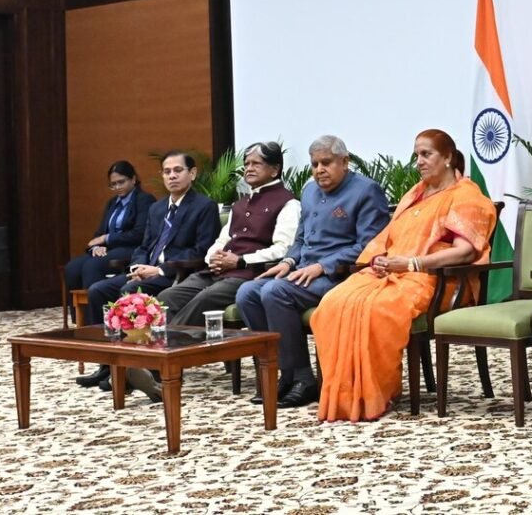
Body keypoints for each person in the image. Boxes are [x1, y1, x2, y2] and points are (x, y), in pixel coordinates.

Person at [312, 129, 497, 422]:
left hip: (437, 280)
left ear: (448, 157)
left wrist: (412, 263)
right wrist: (381, 261)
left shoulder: (467, 197)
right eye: (416, 156)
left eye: (426, 154)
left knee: (377, 310)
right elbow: (387, 240)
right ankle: (345, 394)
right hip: (393, 272)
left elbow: (464, 253)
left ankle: (376, 393)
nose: (419, 162)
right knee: (332, 303)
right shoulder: (416, 194)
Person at [123, 143, 300, 401]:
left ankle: (159, 362)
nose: (248, 168)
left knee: (204, 300)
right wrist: (214, 257)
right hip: (217, 270)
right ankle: (151, 360)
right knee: (170, 296)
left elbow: (282, 248)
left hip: (249, 274)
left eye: (256, 164)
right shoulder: (240, 204)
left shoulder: (288, 203)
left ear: (274, 170)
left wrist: (239, 260)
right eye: (247, 164)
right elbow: (221, 239)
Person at [235, 135, 390, 409]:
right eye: (315, 164)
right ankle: (284, 373)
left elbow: (369, 245)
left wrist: (323, 266)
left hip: (341, 276)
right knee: (247, 293)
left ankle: (304, 380)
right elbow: (300, 239)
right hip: (303, 271)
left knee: (275, 292)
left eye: (326, 163)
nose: (319, 170)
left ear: (345, 161)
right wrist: (288, 262)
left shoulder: (367, 191)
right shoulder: (309, 190)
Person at [77, 150, 221, 390]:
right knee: (98, 291)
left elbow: (201, 251)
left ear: (192, 173)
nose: (172, 176)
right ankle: (107, 364)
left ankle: (135, 369)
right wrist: (137, 266)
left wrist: (159, 270)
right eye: (167, 172)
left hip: (174, 275)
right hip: (144, 271)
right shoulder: (158, 208)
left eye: (178, 170)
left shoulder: (204, 207)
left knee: (130, 290)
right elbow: (144, 245)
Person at [63, 161, 155, 322]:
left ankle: (98, 320)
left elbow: (139, 233)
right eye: (113, 184)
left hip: (131, 248)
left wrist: (107, 239)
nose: (117, 187)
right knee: (72, 267)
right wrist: (97, 246)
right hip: (108, 249)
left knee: (92, 266)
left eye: (121, 182)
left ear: (133, 180)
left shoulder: (144, 200)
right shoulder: (112, 203)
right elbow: (99, 233)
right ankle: (80, 319)